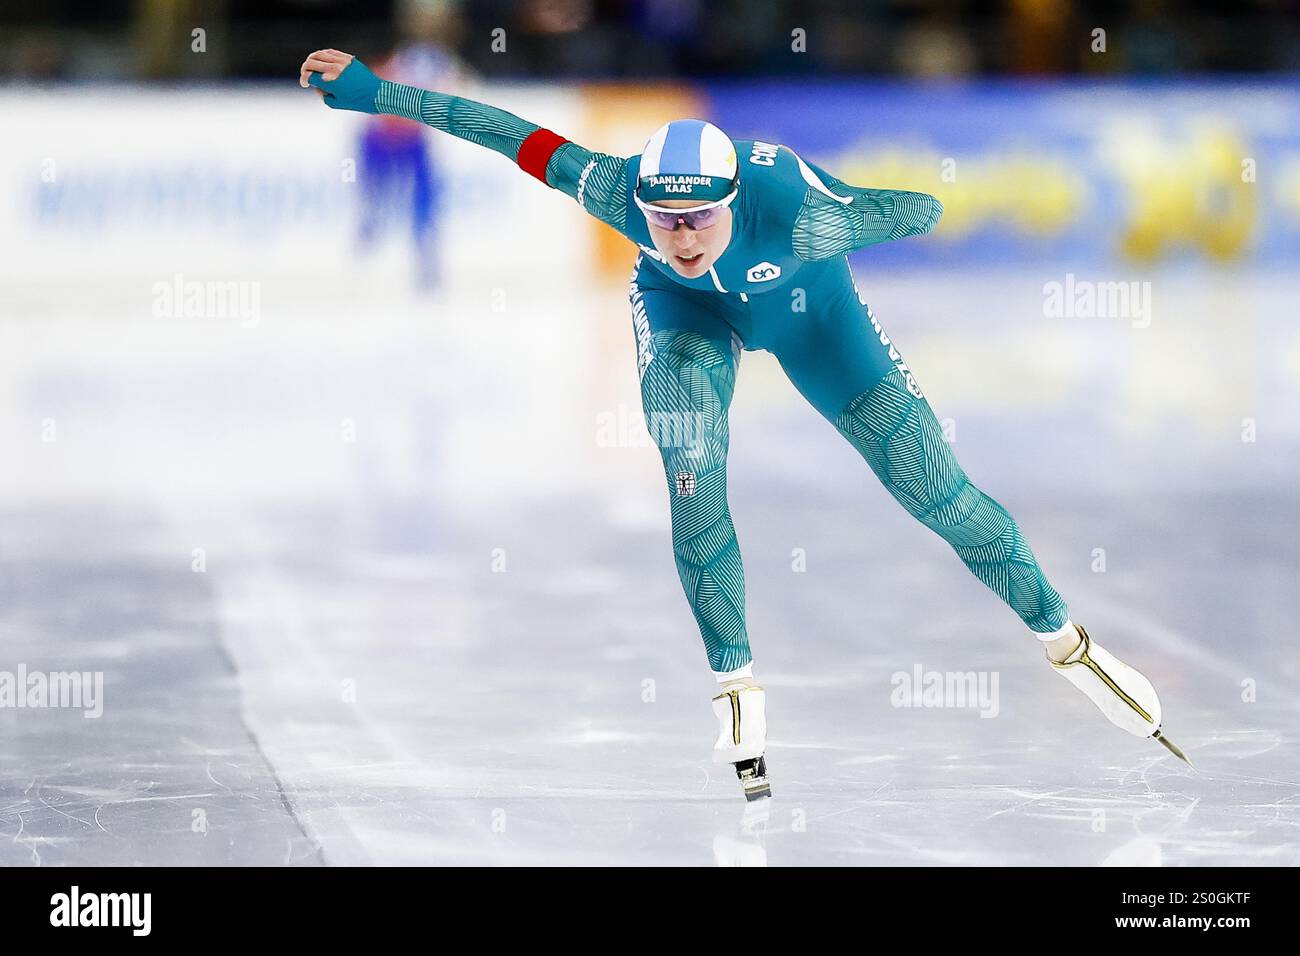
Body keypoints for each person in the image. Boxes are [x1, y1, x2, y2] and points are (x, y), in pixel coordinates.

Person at [298, 49, 1188, 800]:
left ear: (733, 200)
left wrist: (861, 220)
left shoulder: (796, 218)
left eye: (700, 219)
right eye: (663, 221)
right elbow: (500, 130)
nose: (682, 236)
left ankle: (1070, 647)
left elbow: (923, 209)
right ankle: (735, 685)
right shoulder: (616, 192)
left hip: (813, 313)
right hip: (690, 321)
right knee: (693, 466)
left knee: (935, 491)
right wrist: (378, 94)